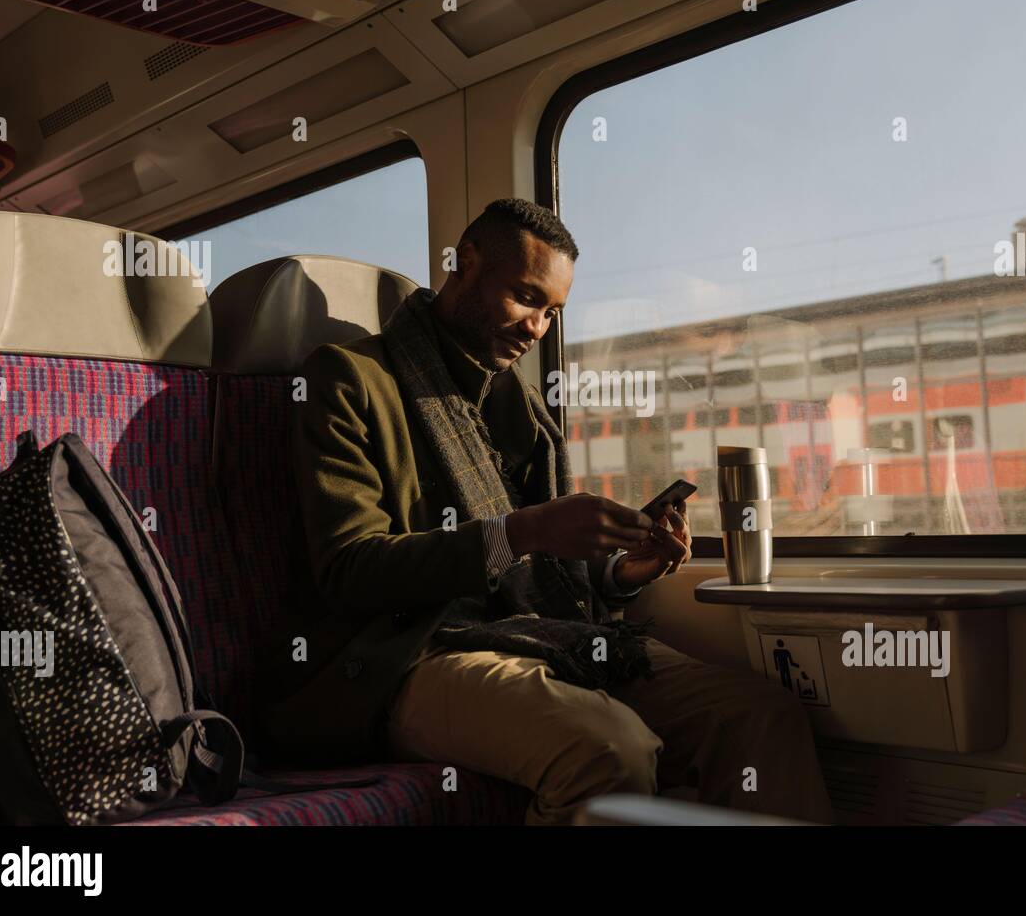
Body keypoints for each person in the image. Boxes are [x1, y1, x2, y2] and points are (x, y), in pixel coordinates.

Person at [256, 198, 833, 825]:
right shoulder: (350, 379)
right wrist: (525, 531)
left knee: (760, 716)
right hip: (412, 652)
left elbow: (542, 572)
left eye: (553, 312)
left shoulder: (521, 406)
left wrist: (618, 575)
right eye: (527, 298)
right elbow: (348, 569)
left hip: (537, 632)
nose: (538, 329)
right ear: (466, 263)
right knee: (610, 752)